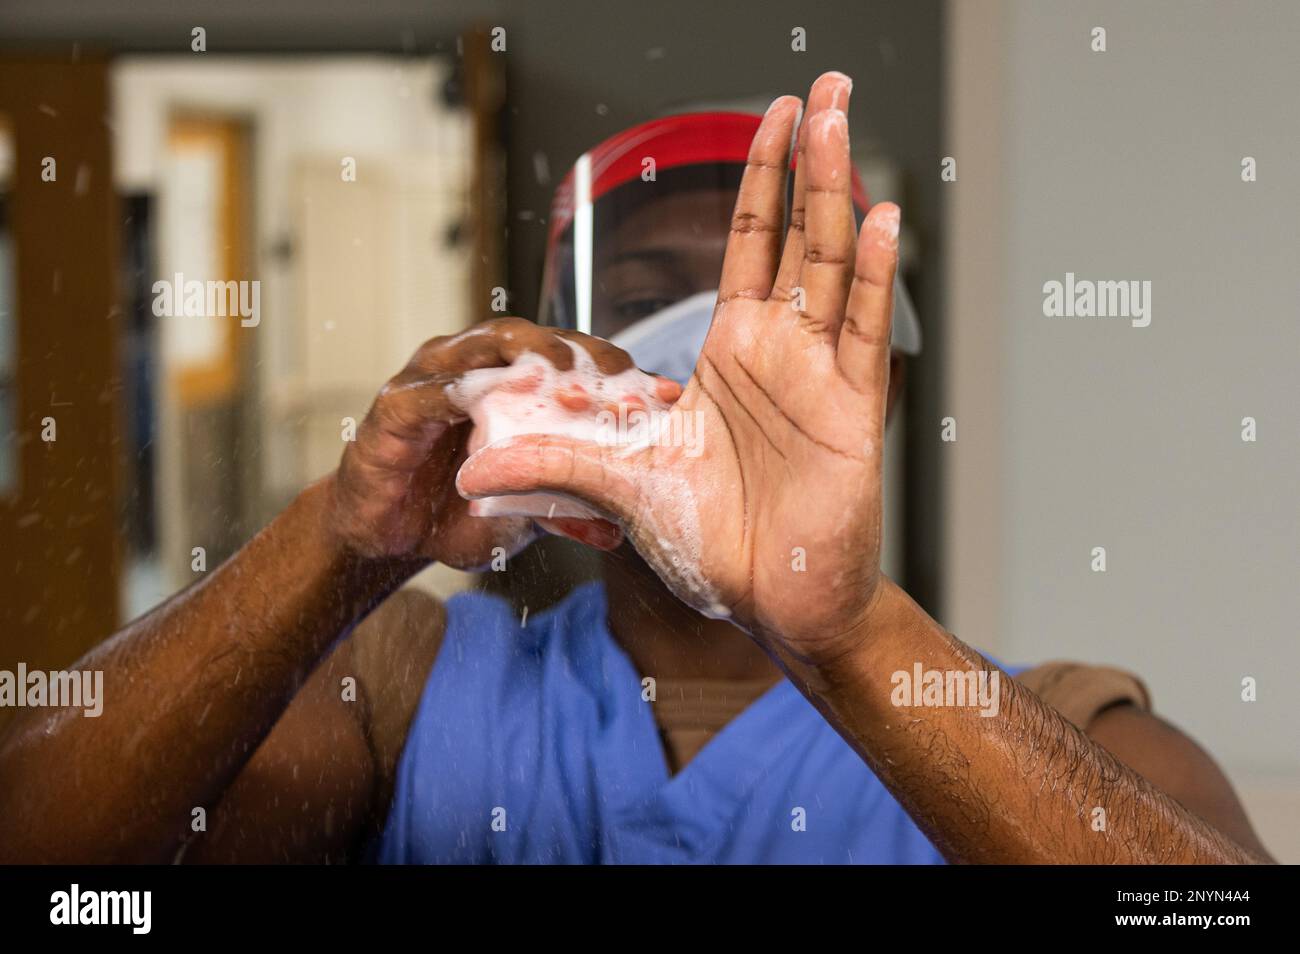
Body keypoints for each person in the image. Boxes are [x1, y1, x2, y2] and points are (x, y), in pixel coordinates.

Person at [0, 72, 1272, 864]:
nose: (716, 347)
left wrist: (847, 636)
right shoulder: (411, 689)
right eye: (652, 297)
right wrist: (340, 546)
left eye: (763, 303)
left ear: (875, 388)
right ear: (558, 359)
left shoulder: (1049, 721)